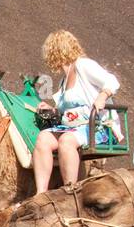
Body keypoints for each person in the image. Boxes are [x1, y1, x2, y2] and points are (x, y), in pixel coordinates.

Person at [32, 30, 121, 194]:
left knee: (66, 141)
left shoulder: (83, 65)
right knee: (43, 139)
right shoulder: (63, 81)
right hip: (73, 127)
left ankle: (69, 191)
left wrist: (103, 96)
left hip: (98, 126)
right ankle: (41, 193)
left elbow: (111, 80)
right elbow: (67, 111)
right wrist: (51, 109)